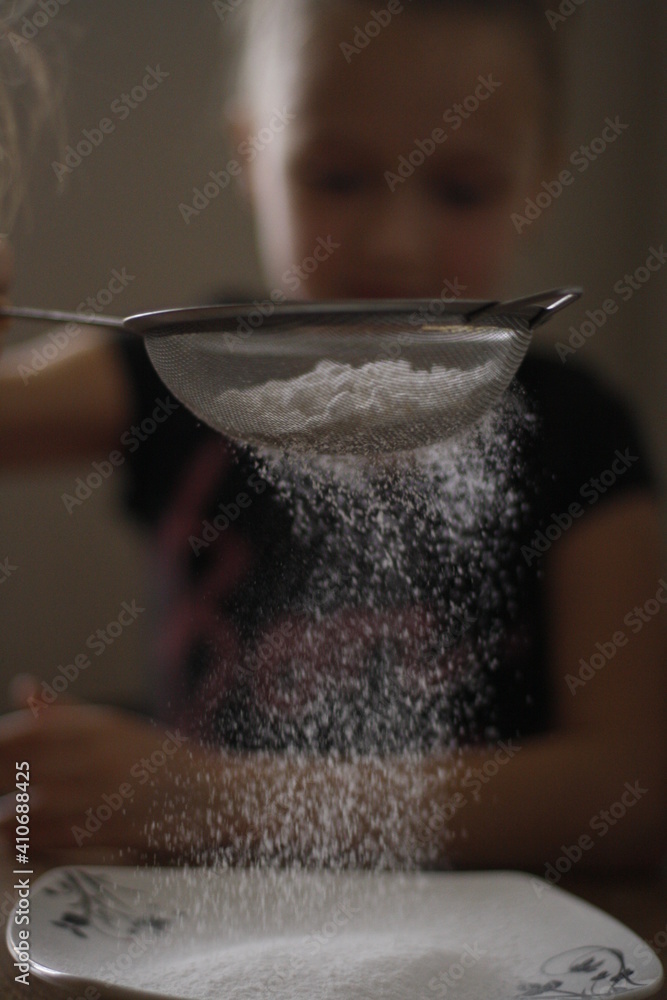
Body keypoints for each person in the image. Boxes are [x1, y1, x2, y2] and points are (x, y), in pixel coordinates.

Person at [0, 0, 664, 872]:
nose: (392, 244)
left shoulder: (578, 435)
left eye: (460, 189)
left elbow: (633, 791)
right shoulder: (177, 372)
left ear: (538, 182)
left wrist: (216, 801)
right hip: (208, 942)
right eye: (338, 178)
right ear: (252, 157)